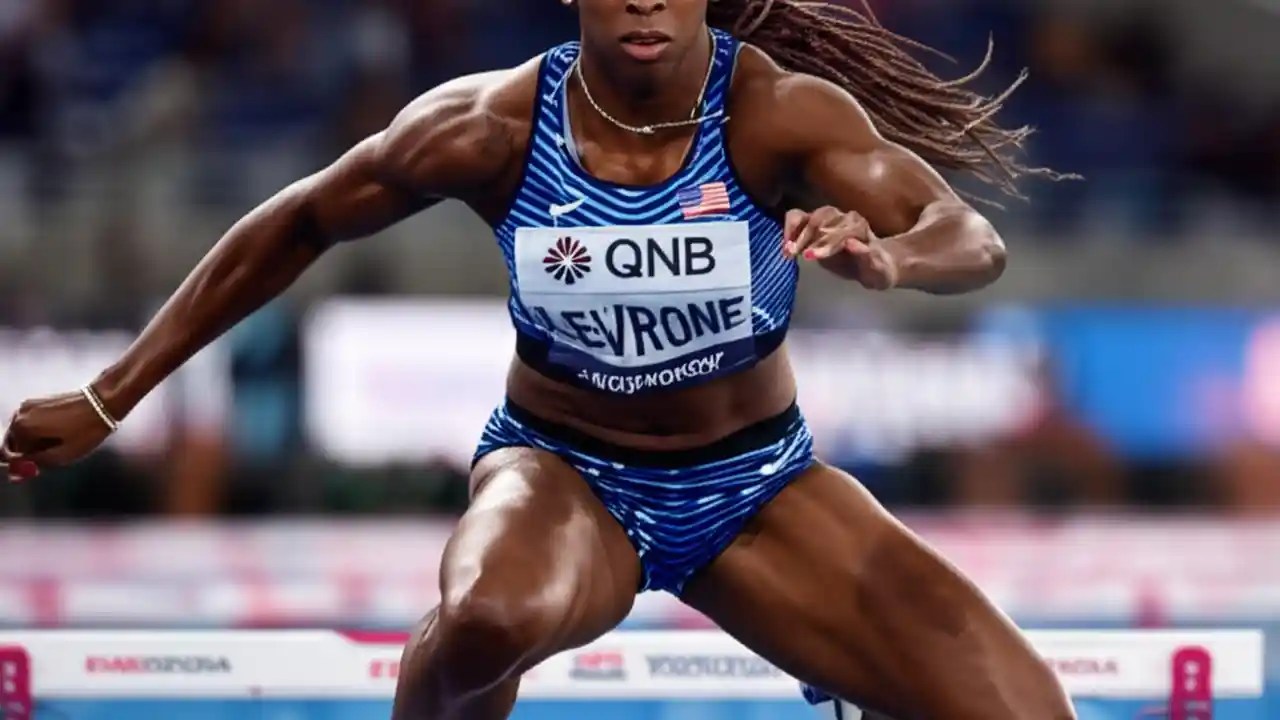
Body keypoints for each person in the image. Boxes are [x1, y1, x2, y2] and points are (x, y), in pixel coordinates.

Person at [2, 0, 1077, 718]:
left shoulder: (775, 117)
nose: (646, 4)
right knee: (486, 617)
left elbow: (966, 236)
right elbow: (299, 220)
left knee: (1031, 712)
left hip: (755, 487)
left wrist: (889, 259)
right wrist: (110, 394)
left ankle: (855, 685)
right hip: (567, 472)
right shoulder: (490, 126)